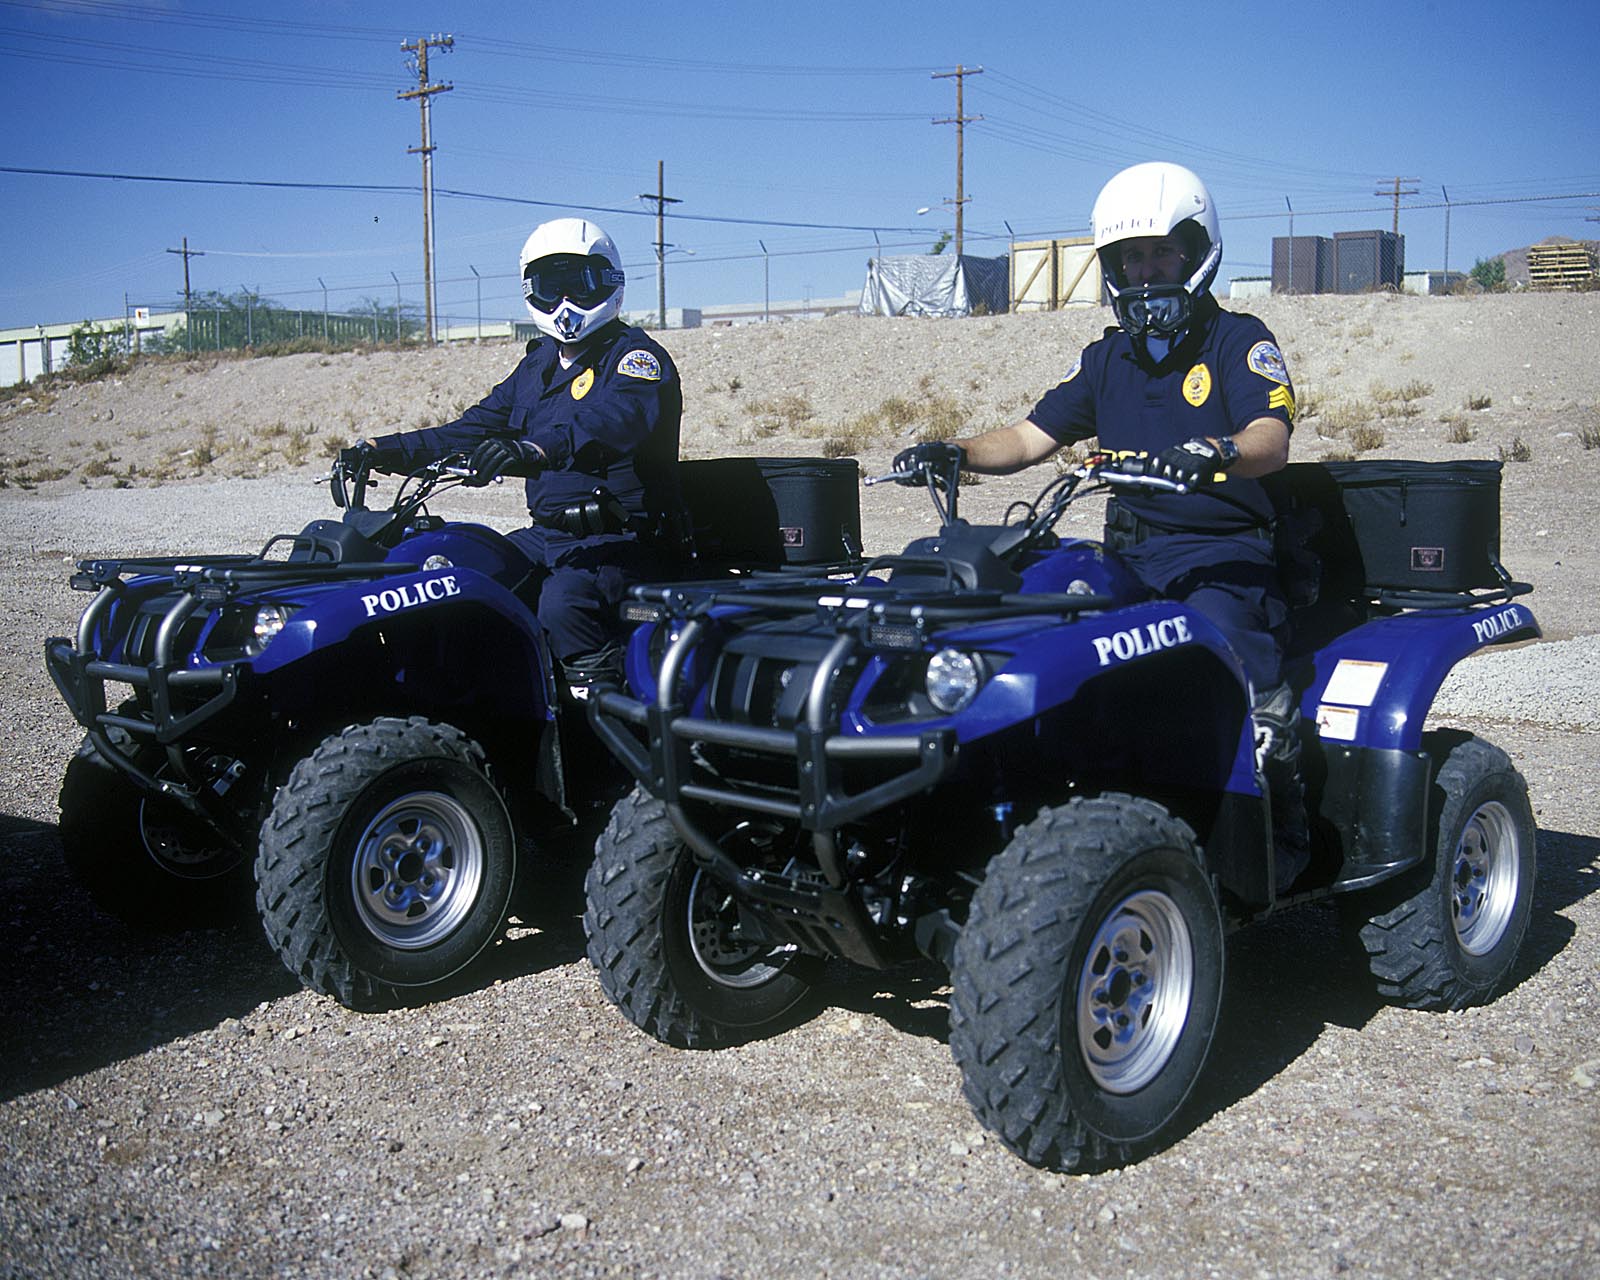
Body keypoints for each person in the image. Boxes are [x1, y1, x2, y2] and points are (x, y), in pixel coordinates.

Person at [894, 161, 1310, 889]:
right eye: (1130, 257)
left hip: (1221, 557)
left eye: (1160, 252)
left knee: (1227, 667)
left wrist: (1218, 451)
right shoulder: (1107, 357)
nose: (1145, 269)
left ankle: (1277, 834)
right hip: (1131, 556)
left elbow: (1270, 439)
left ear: (1195, 251)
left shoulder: (1238, 339)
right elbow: (1028, 438)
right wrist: (953, 451)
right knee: (1041, 634)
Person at [349, 217, 684, 697]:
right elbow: (472, 427)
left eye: (579, 283)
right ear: (532, 291)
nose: (565, 302)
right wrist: (386, 450)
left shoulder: (636, 359)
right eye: (552, 286)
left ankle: (604, 719)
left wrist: (533, 448)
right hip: (548, 537)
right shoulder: (538, 365)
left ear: (608, 281)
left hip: (625, 541)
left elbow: (614, 420)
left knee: (564, 602)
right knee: (457, 570)